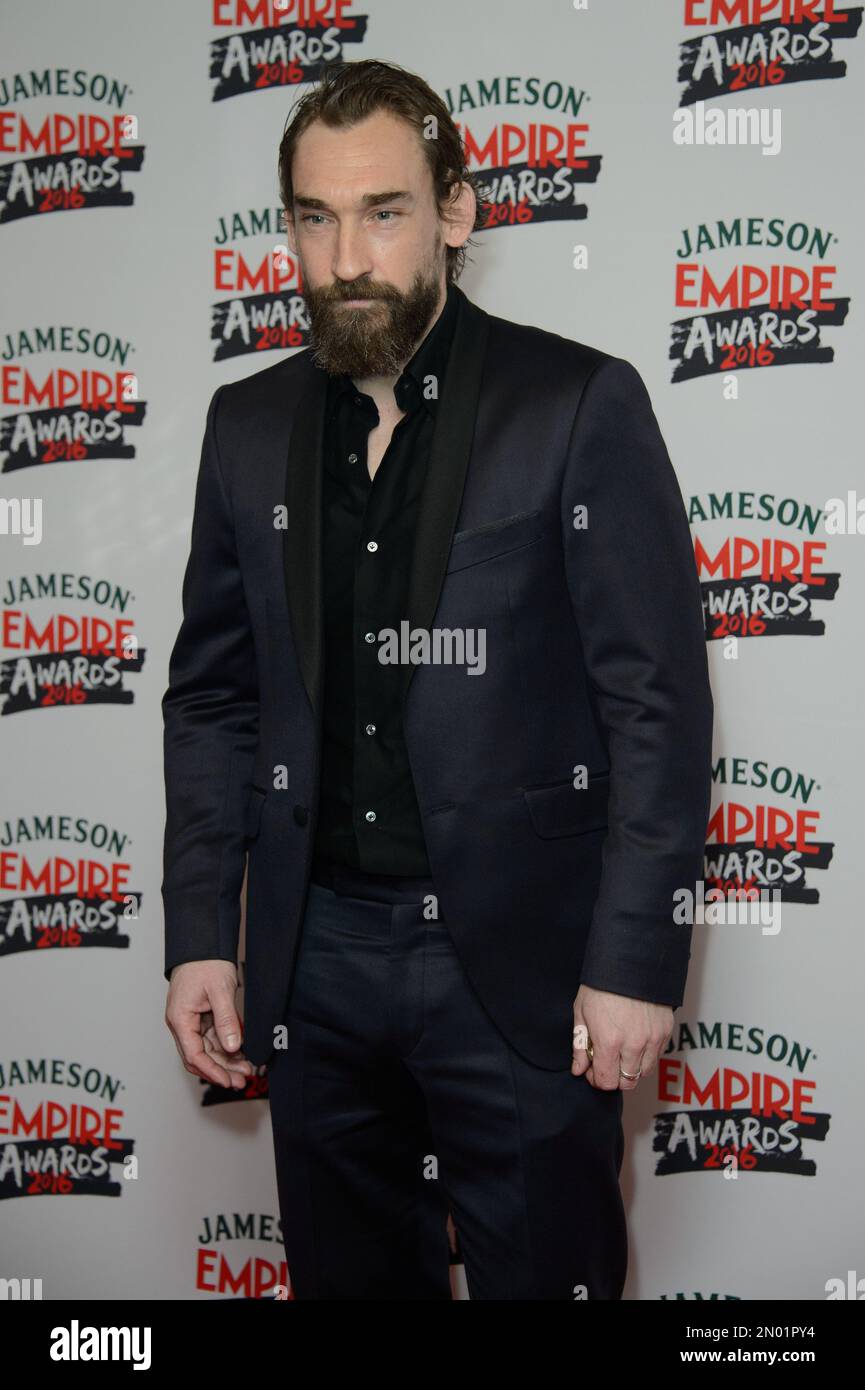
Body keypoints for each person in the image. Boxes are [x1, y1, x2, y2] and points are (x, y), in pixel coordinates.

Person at [162, 59, 713, 1300]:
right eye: (315, 217)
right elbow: (212, 696)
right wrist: (203, 932)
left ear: (455, 214)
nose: (346, 254)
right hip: (314, 961)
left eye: (384, 211)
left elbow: (655, 705)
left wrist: (633, 959)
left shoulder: (575, 403)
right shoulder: (244, 428)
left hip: (515, 966)